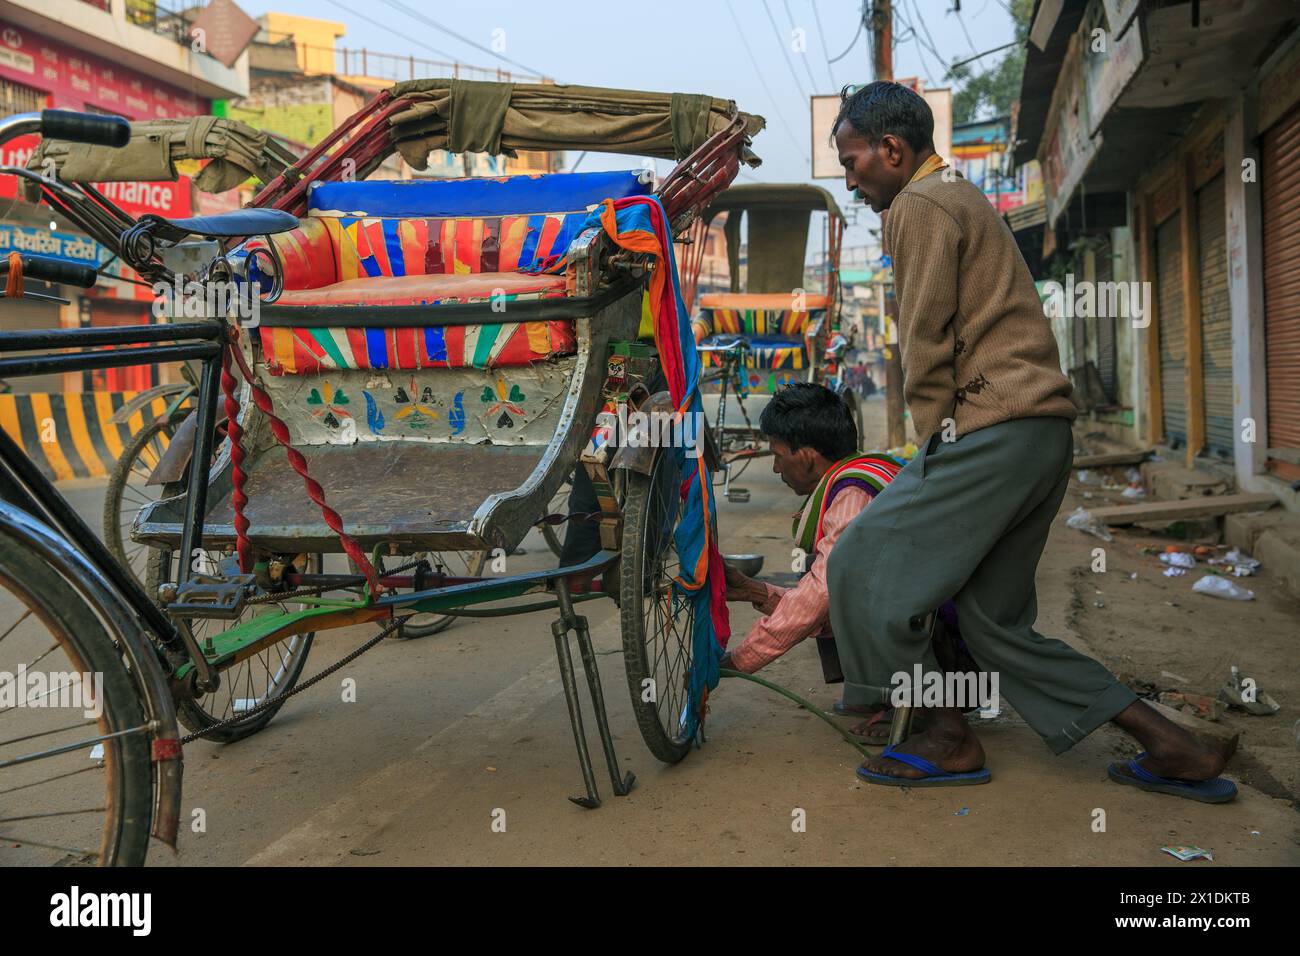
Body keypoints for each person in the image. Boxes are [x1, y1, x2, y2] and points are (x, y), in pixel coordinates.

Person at [825, 81, 1238, 801]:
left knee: (860, 560)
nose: (850, 177)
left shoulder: (917, 205)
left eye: (852, 160)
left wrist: (935, 447)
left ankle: (945, 734)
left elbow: (923, 343)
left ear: (892, 150)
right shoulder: (956, 192)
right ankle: (1175, 747)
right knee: (995, 626)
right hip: (1040, 433)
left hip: (991, 429)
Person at [720, 384, 912, 745]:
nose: (776, 468)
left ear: (807, 456)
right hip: (926, 604)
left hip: (938, 620)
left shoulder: (852, 496)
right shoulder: (864, 470)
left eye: (778, 455)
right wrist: (754, 591)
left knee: (841, 587)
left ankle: (907, 704)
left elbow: (818, 599)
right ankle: (886, 693)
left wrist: (738, 662)